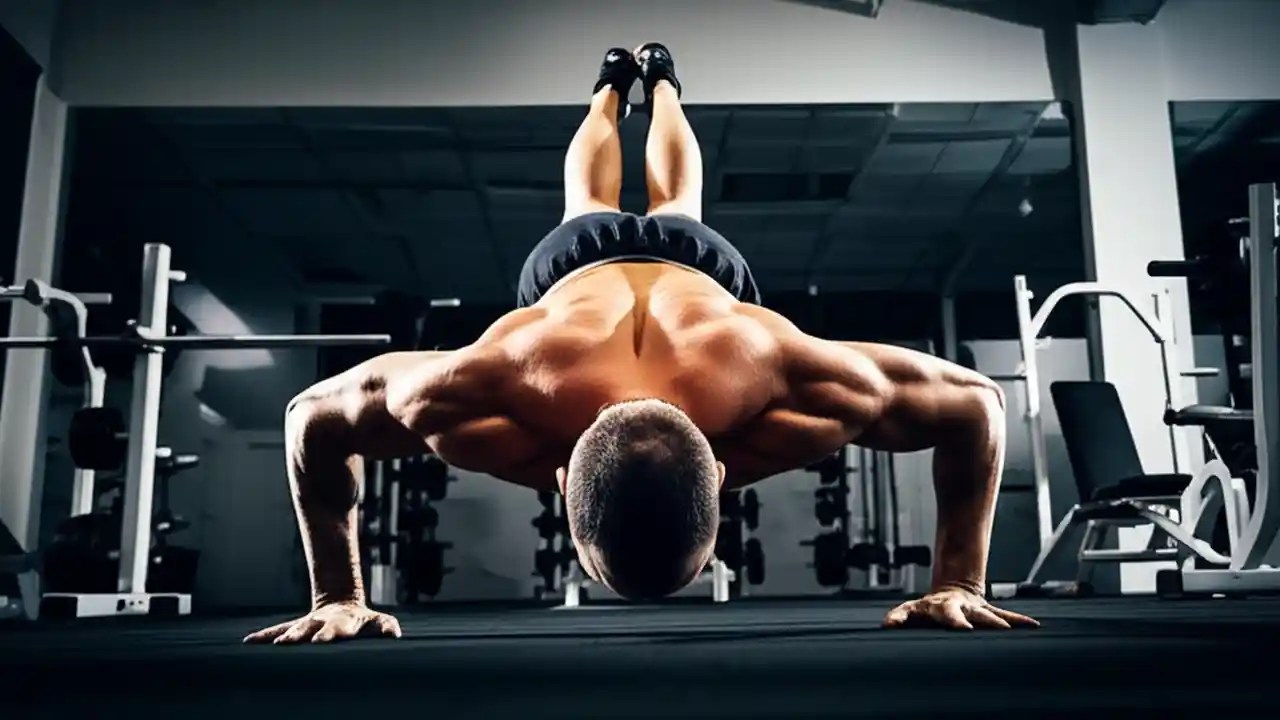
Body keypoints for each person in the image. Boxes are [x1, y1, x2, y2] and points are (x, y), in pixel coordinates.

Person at [245, 44, 1038, 645]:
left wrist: (338, 597)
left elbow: (313, 415)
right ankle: (635, 87)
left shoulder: (485, 391)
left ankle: (634, 86)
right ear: (728, 475)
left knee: (638, 202)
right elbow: (973, 401)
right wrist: (957, 580)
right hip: (672, 304)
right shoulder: (786, 383)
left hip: (633, 300)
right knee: (648, 202)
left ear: (557, 480)